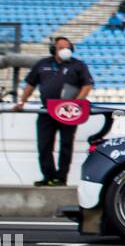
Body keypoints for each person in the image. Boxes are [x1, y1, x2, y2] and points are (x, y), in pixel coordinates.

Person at [13, 37, 94, 186]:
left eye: (67, 47)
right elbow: (30, 84)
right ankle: (48, 176)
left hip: (68, 111)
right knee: (44, 145)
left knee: (66, 145)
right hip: (47, 111)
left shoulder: (78, 65)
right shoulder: (42, 64)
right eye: (61, 47)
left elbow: (87, 85)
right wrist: (21, 102)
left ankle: (61, 177)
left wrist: (76, 102)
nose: (65, 50)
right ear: (53, 49)